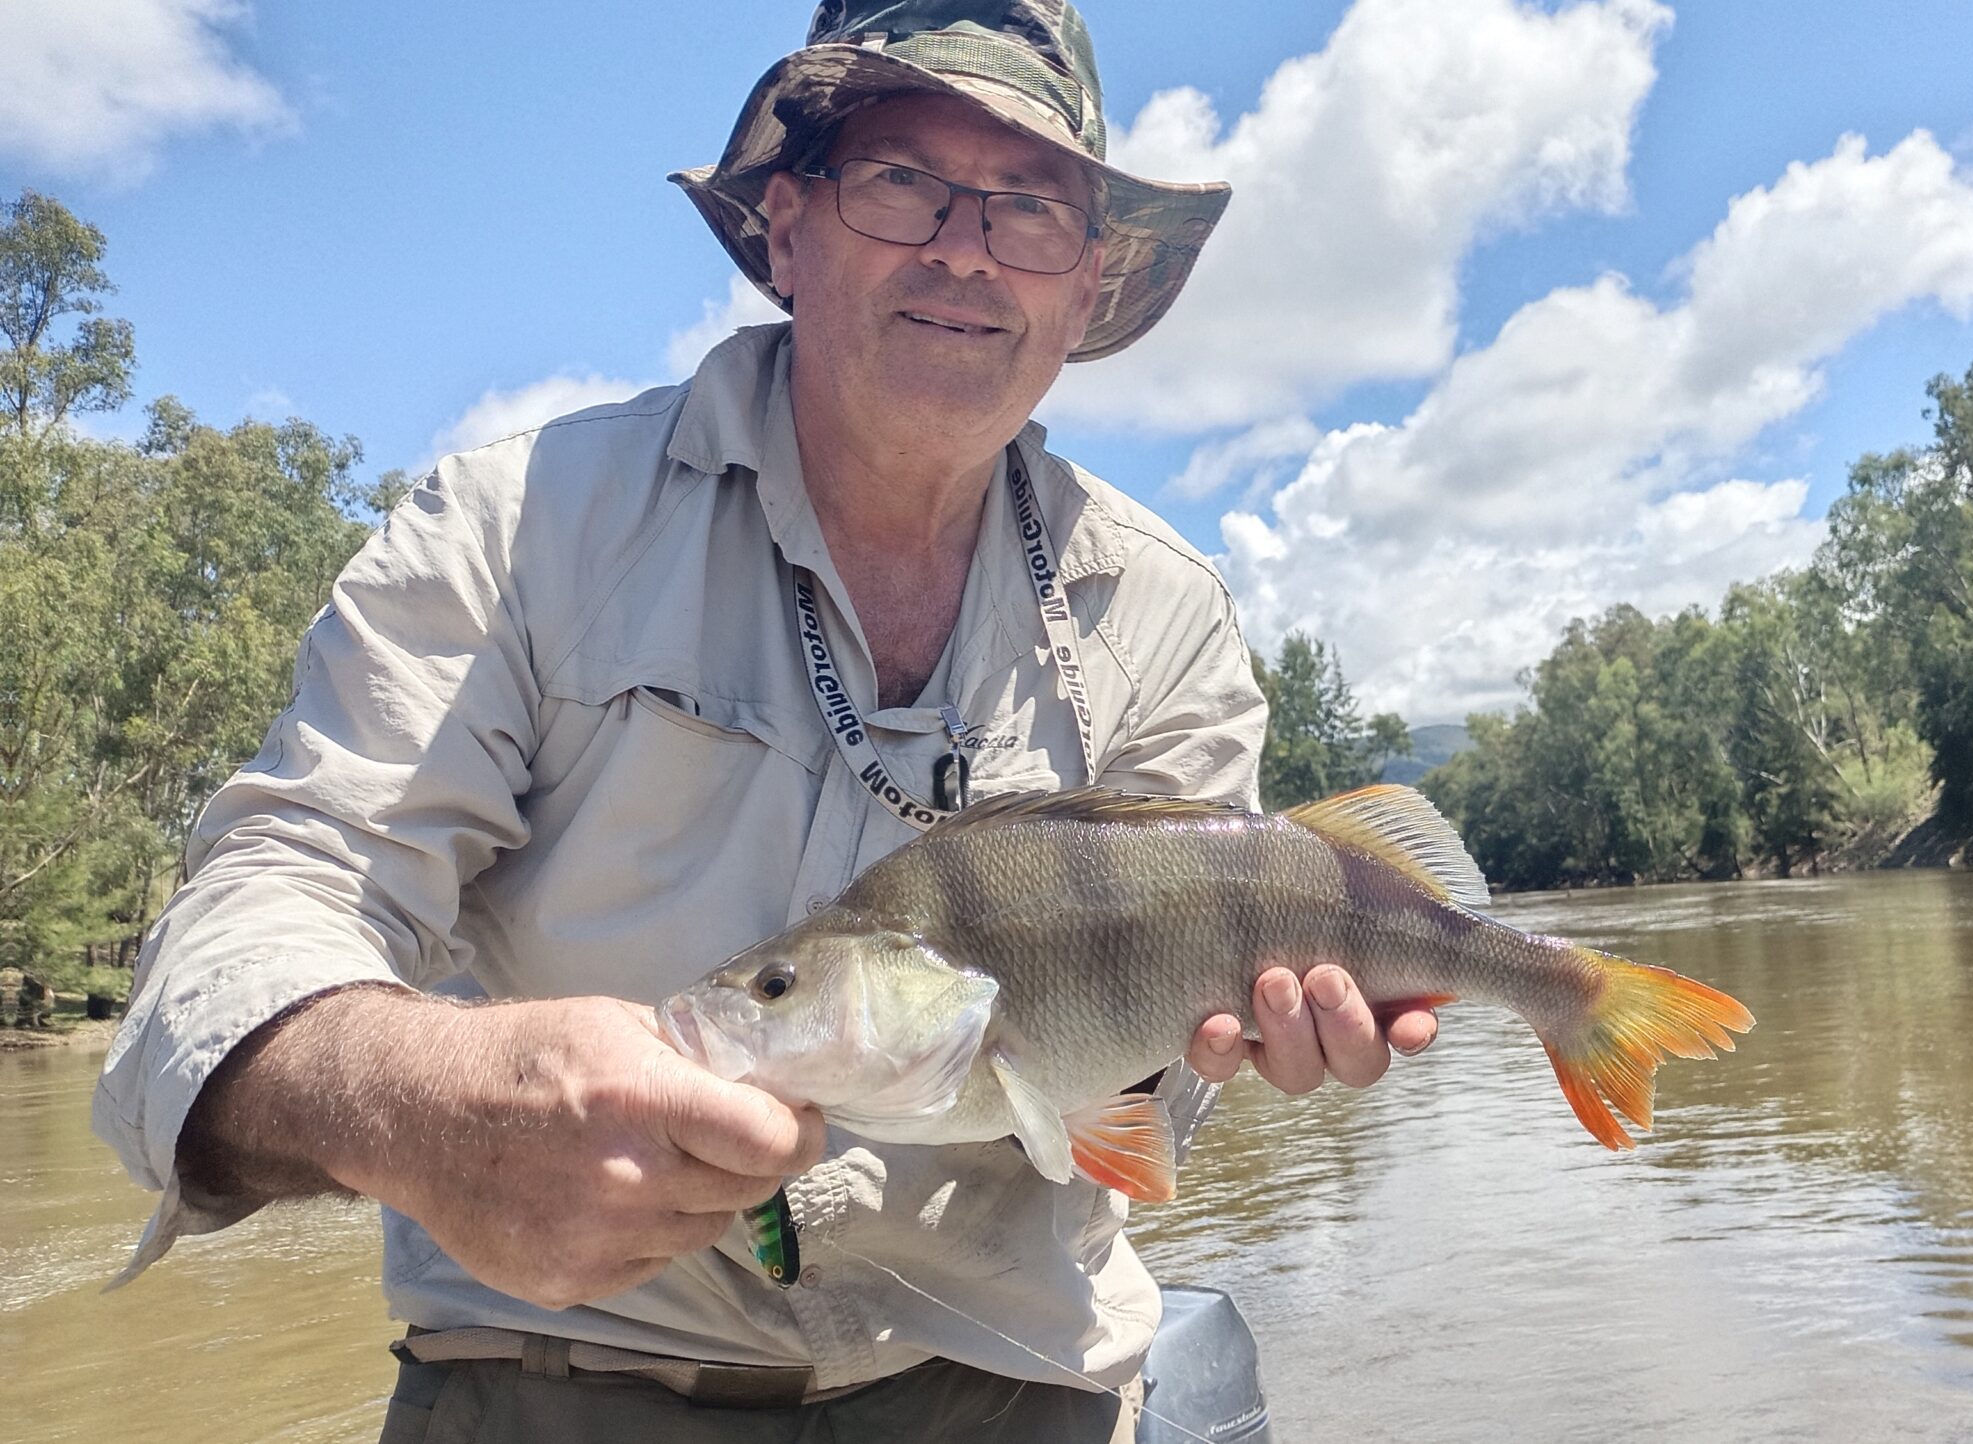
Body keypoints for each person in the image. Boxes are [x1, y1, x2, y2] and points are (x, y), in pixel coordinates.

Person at [91, 5, 1438, 1440]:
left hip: (1020, 1388)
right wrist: (420, 1104)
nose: (965, 248)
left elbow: (1138, 1088)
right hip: (561, 1383)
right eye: (904, 181)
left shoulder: (1167, 621)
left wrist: (1245, 1033)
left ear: (1086, 286)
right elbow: (267, 899)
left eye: (1029, 207)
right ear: (785, 229)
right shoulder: (522, 529)